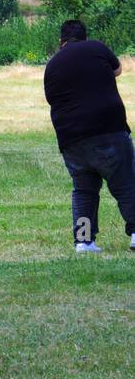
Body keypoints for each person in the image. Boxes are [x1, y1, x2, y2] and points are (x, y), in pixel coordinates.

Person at [43, 19, 135, 253]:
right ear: (84, 37)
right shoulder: (96, 48)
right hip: (107, 130)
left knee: (84, 190)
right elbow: (117, 70)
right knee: (126, 183)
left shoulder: (52, 64)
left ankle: (84, 241)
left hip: (71, 139)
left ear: (61, 42)